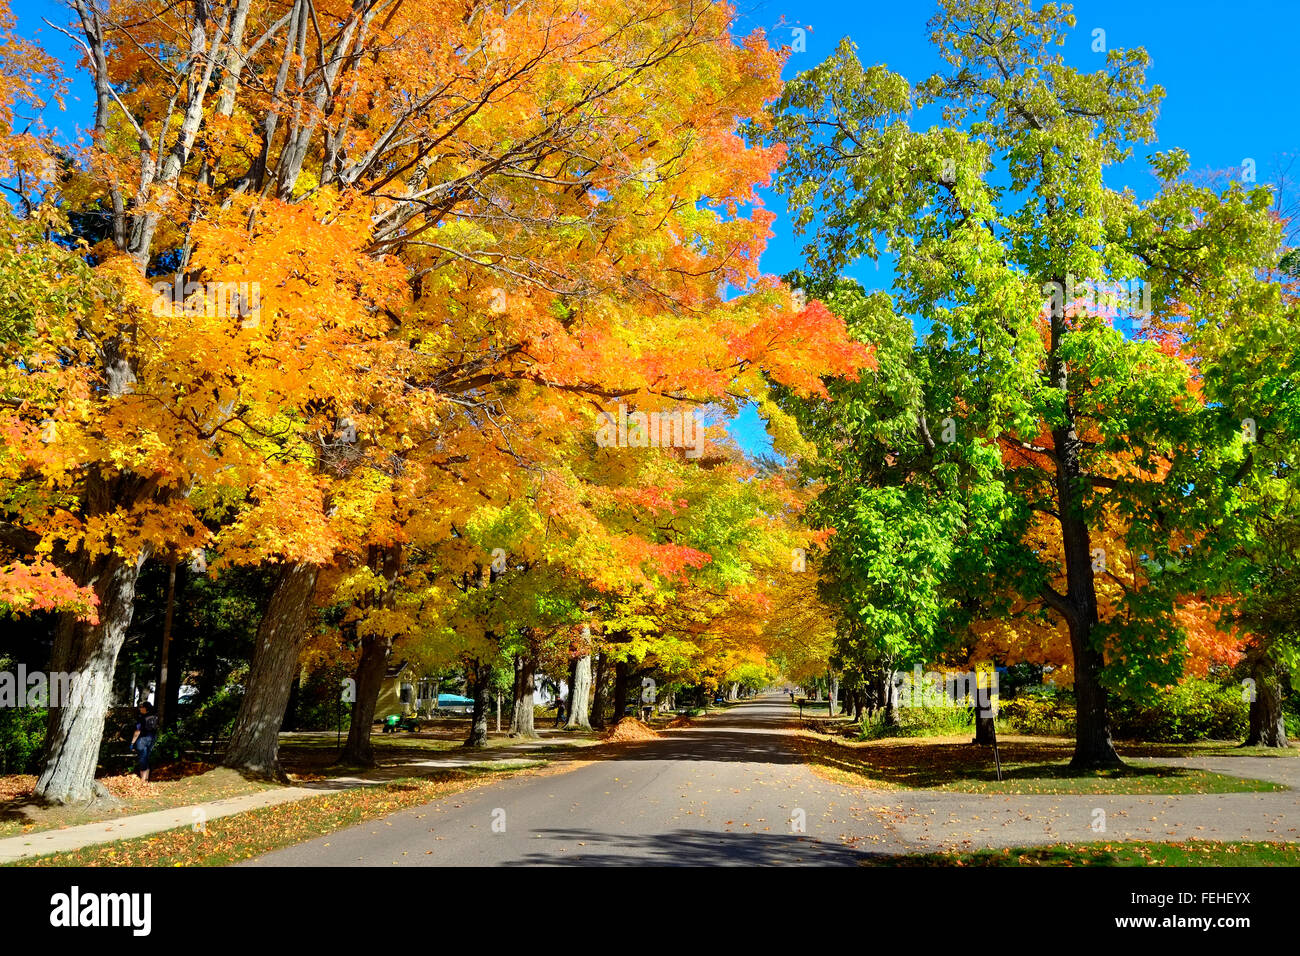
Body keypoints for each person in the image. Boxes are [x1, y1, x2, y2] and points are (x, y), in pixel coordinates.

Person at [131, 702, 159, 781]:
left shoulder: (141, 718)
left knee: (142, 758)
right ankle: (146, 778)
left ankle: (142, 779)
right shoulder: (154, 716)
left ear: (145, 708)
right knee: (146, 757)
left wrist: (132, 743)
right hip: (152, 739)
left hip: (142, 739)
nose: (140, 708)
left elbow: (137, 731)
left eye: (141, 707)